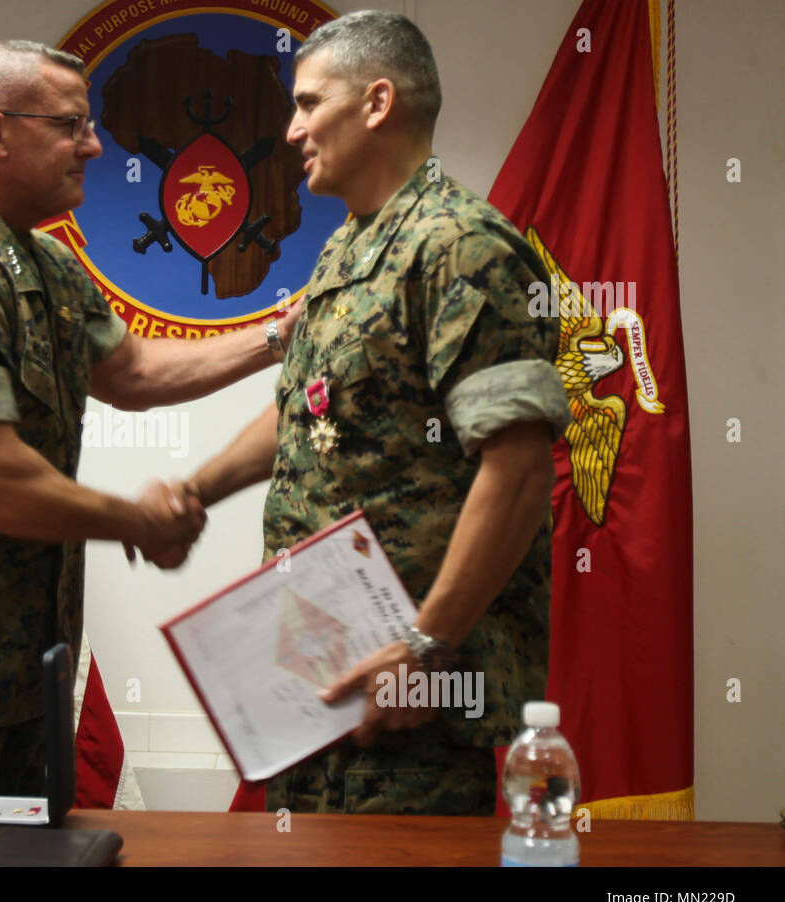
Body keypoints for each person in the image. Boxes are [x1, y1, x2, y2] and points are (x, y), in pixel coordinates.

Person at [0, 41, 296, 805]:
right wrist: (138, 520)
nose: (95, 145)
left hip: (19, 667)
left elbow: (135, 375)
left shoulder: (41, 264)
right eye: (71, 125)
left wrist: (281, 335)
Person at [178, 11, 572, 814]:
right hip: (324, 678)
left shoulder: (462, 246)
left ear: (378, 103)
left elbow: (521, 468)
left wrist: (427, 647)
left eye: (308, 103)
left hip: (415, 697)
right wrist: (194, 492)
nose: (291, 130)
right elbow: (309, 416)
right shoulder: (349, 249)